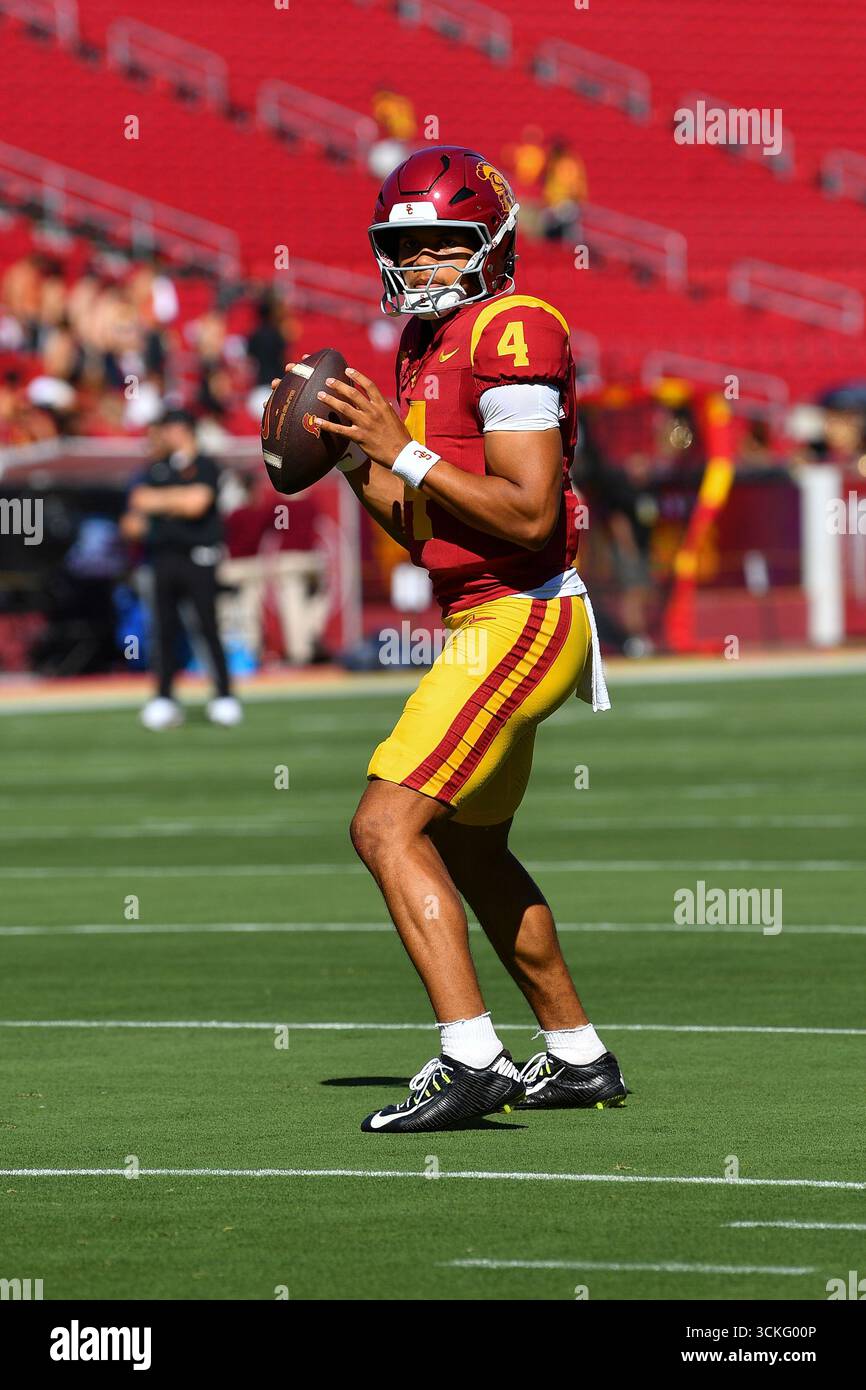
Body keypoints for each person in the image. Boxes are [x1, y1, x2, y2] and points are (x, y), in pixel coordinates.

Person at [277, 145, 627, 1132]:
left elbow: (522, 515)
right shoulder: (418, 349)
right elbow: (421, 523)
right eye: (406, 245)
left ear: (493, 244)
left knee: (384, 825)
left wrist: (404, 446)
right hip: (481, 613)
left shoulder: (514, 327)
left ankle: (469, 1056)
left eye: (443, 243)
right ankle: (575, 1052)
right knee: (471, 848)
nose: (423, 263)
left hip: (522, 609)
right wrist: (355, 458)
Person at [120, 409, 242, 730]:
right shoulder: (157, 468)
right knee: (163, 630)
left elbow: (197, 503)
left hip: (199, 557)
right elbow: (135, 513)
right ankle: (164, 696)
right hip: (163, 559)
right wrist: (174, 501)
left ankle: (223, 695)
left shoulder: (206, 465)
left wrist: (160, 504)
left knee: (206, 626)